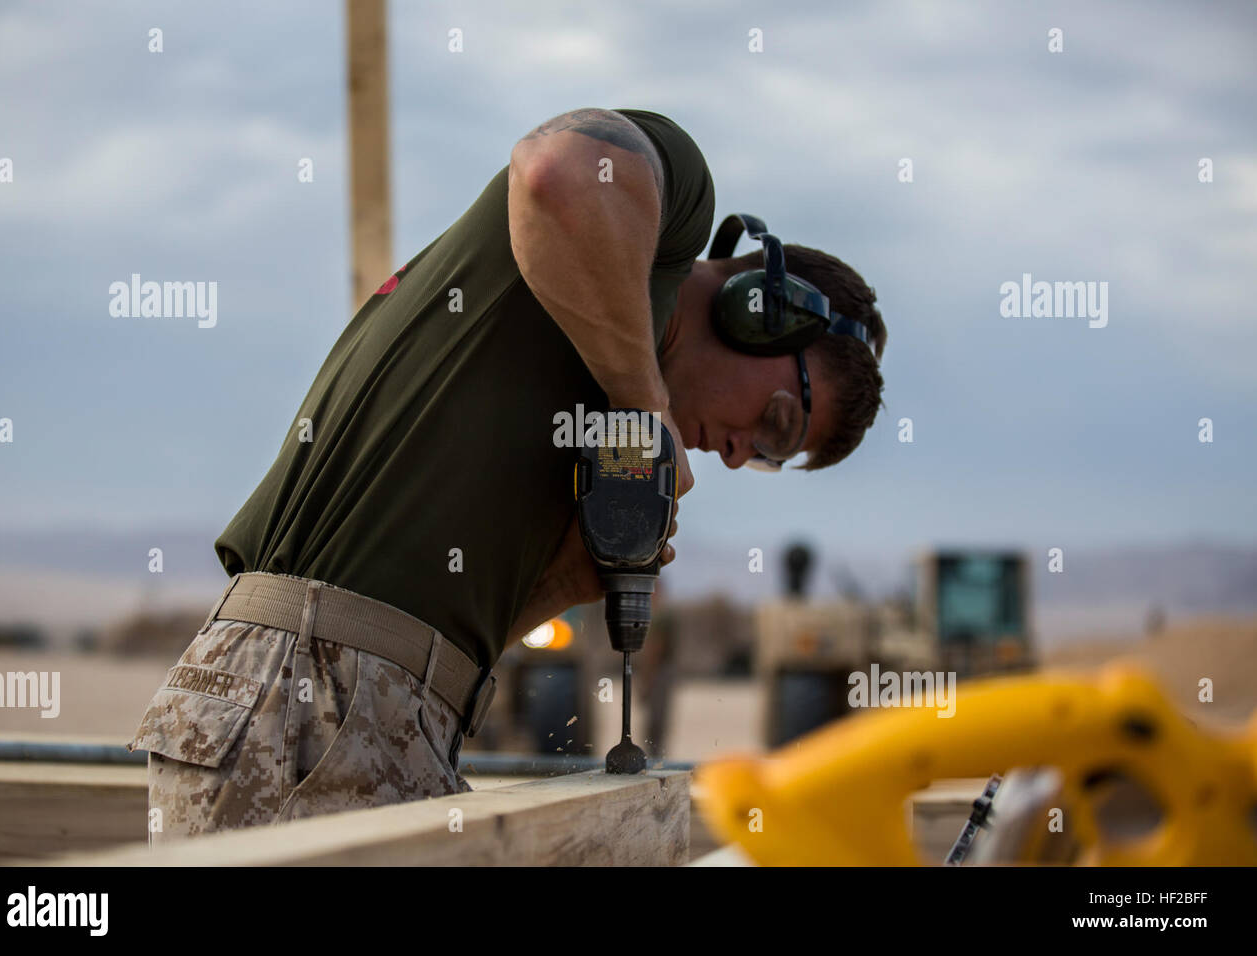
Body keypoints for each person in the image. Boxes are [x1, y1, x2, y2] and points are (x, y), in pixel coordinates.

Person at [127, 107, 886, 841]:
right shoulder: (669, 208)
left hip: (365, 708)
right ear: (760, 308)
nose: (738, 452)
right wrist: (641, 406)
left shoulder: (586, 408)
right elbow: (554, 172)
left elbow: (439, 635)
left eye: (770, 456)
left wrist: (565, 582)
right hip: (305, 698)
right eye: (777, 422)